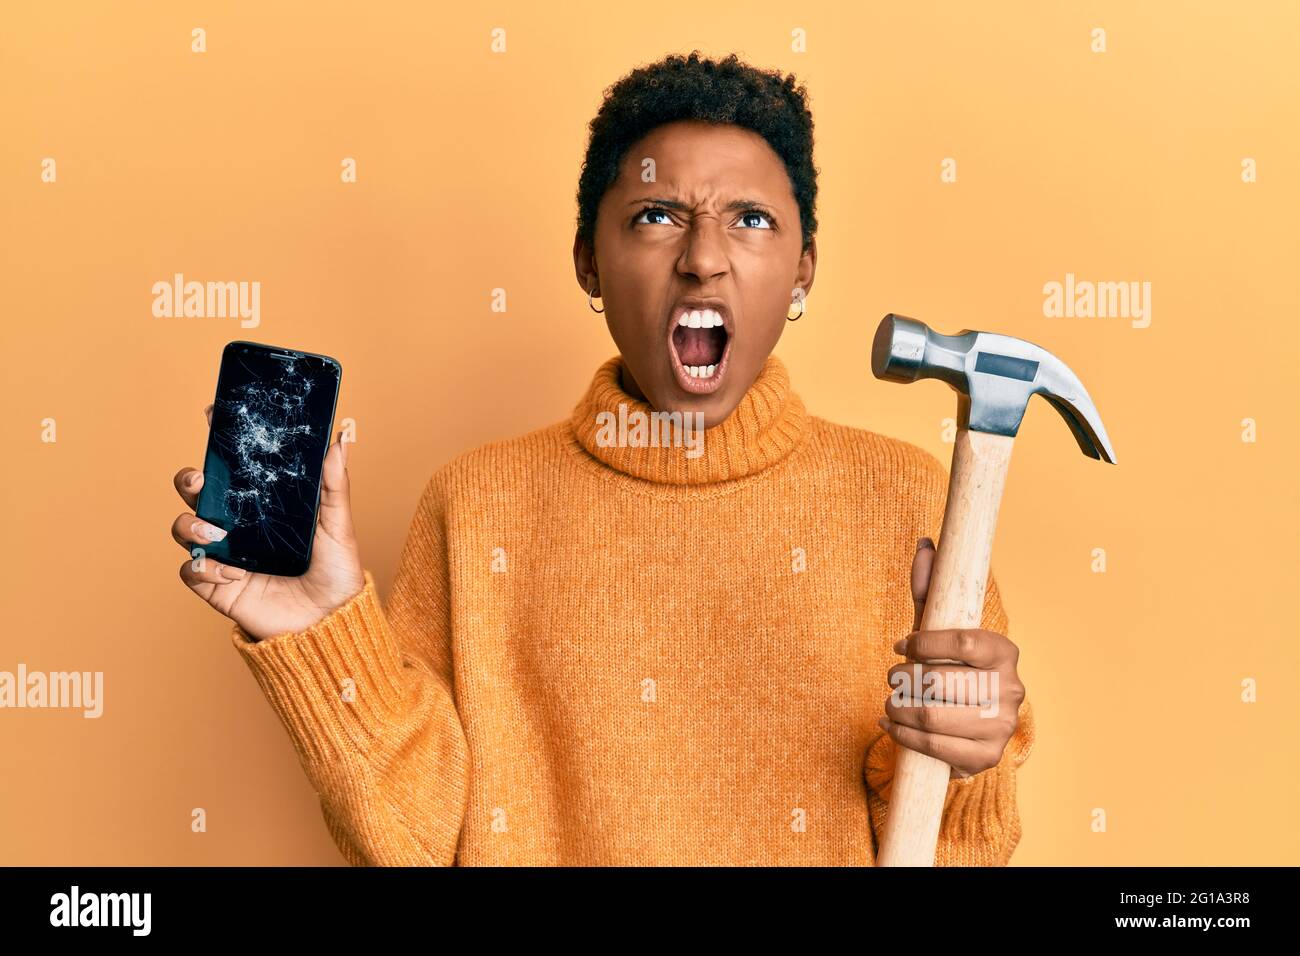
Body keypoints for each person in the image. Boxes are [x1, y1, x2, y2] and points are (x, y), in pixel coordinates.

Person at [170, 50, 1032, 866]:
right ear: (588, 258)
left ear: (804, 270)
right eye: (657, 216)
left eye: (752, 220)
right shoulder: (476, 505)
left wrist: (967, 765)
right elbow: (411, 841)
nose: (703, 259)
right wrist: (326, 635)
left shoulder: (910, 500)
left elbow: (955, 851)